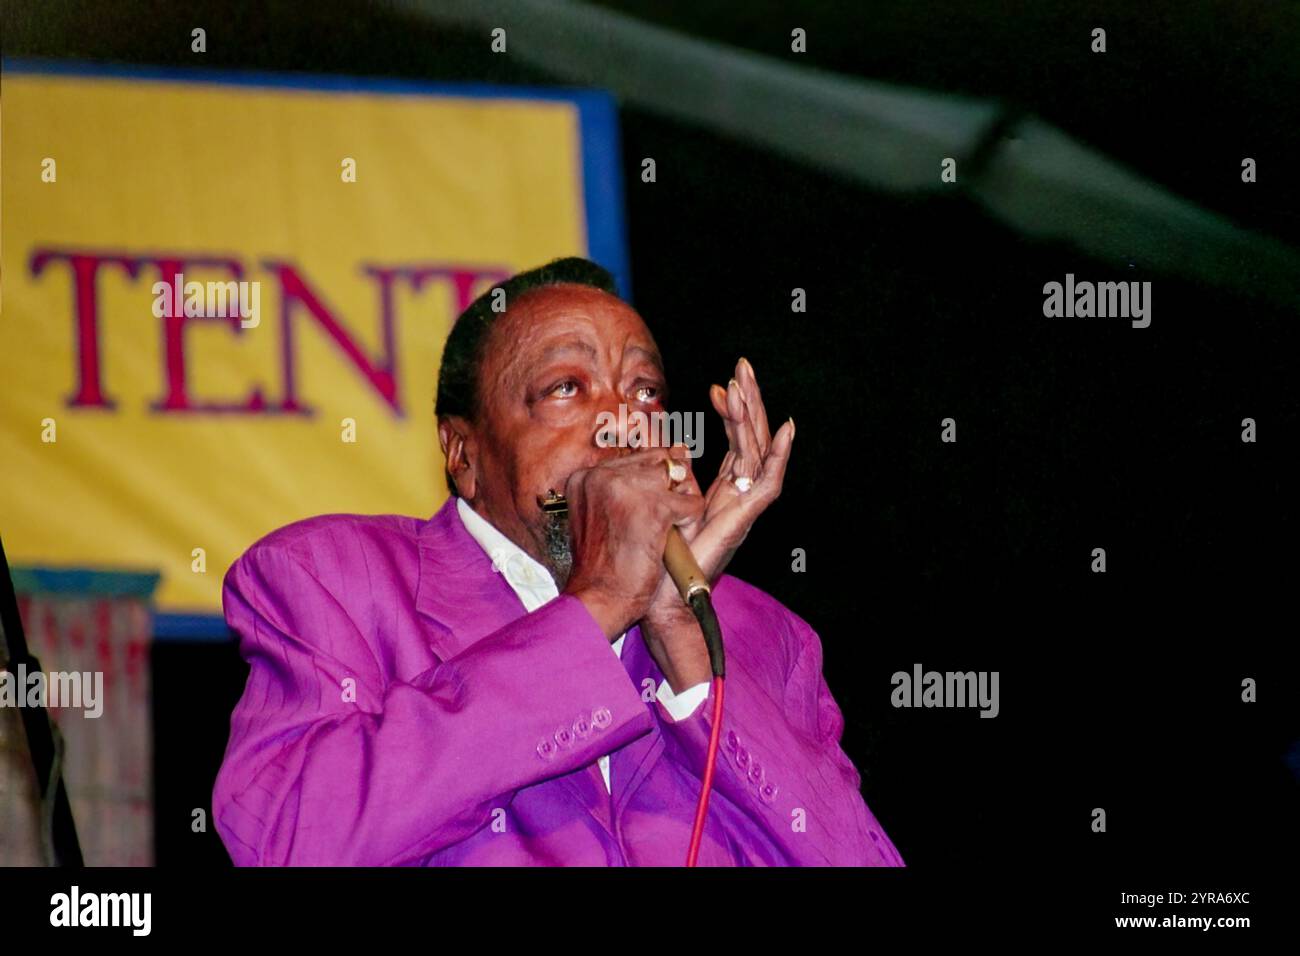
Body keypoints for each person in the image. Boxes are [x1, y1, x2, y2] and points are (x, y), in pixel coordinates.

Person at [212, 257, 903, 866]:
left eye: (644, 392)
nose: (620, 422)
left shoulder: (763, 637)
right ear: (463, 455)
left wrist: (677, 629)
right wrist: (597, 604)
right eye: (565, 388)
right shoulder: (332, 580)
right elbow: (291, 839)